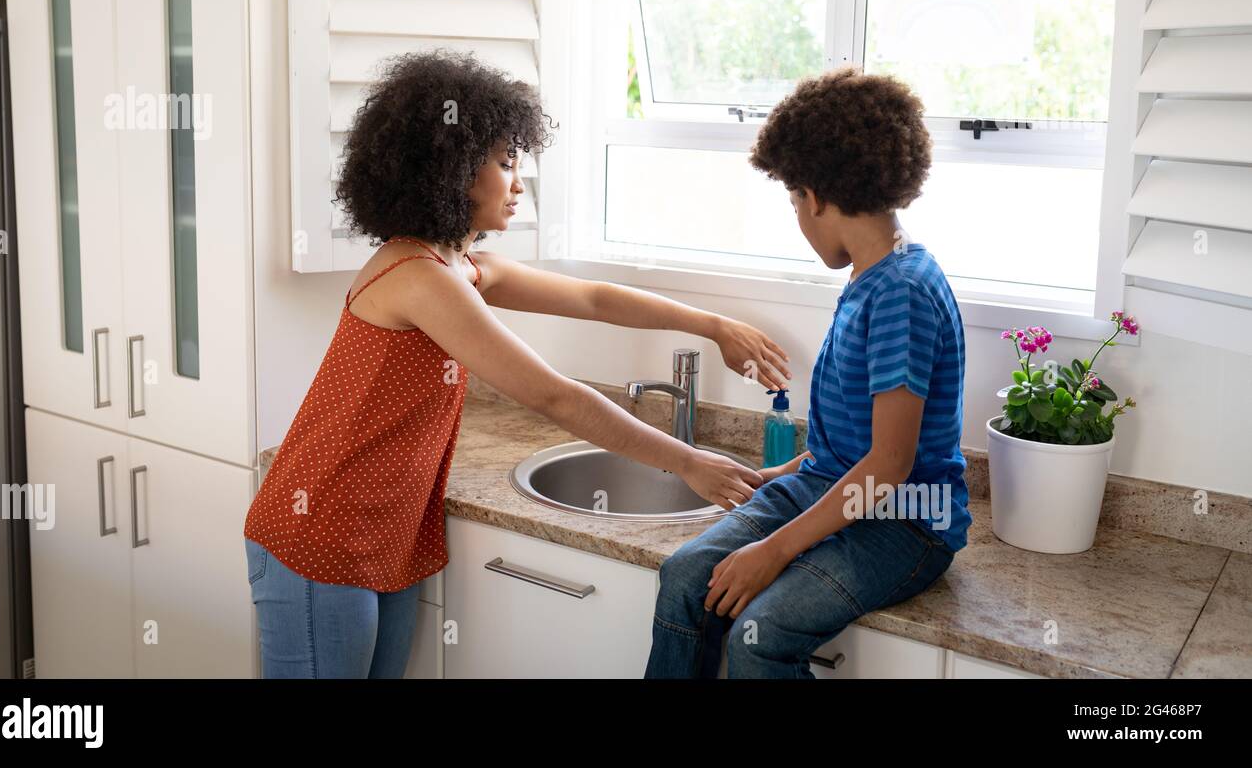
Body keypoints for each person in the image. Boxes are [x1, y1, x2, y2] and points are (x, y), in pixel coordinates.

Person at [243, 50, 790, 678]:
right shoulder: (416, 276)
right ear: (450, 170)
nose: (519, 182)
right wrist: (686, 460)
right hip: (319, 536)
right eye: (505, 163)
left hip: (383, 537)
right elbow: (555, 397)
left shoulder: (461, 266)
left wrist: (713, 324)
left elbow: (592, 297)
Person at [644, 66, 972, 679]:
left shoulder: (901, 291)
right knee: (685, 576)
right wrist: (777, 475)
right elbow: (846, 446)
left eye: (793, 199)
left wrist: (771, 550)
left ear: (816, 195)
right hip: (830, 486)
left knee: (756, 636)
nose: (797, 214)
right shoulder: (868, 274)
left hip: (906, 522)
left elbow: (890, 465)